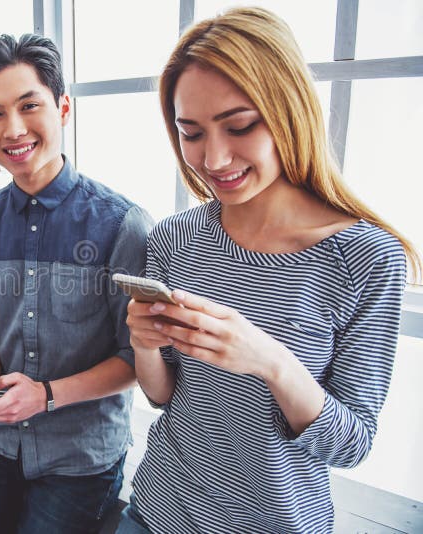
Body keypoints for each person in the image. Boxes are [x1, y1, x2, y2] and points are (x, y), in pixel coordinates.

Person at [119, 7, 419, 534]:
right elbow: (165, 397)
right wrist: (145, 344)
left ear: (289, 111)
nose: (213, 159)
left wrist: (272, 362)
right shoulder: (174, 238)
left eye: (239, 126)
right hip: (155, 513)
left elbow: (351, 445)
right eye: (190, 133)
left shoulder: (366, 260)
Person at [0, 34, 153, 534]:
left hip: (80, 461)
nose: (13, 129)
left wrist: (45, 395)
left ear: (63, 107)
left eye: (29, 106)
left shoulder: (122, 224)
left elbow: (137, 361)